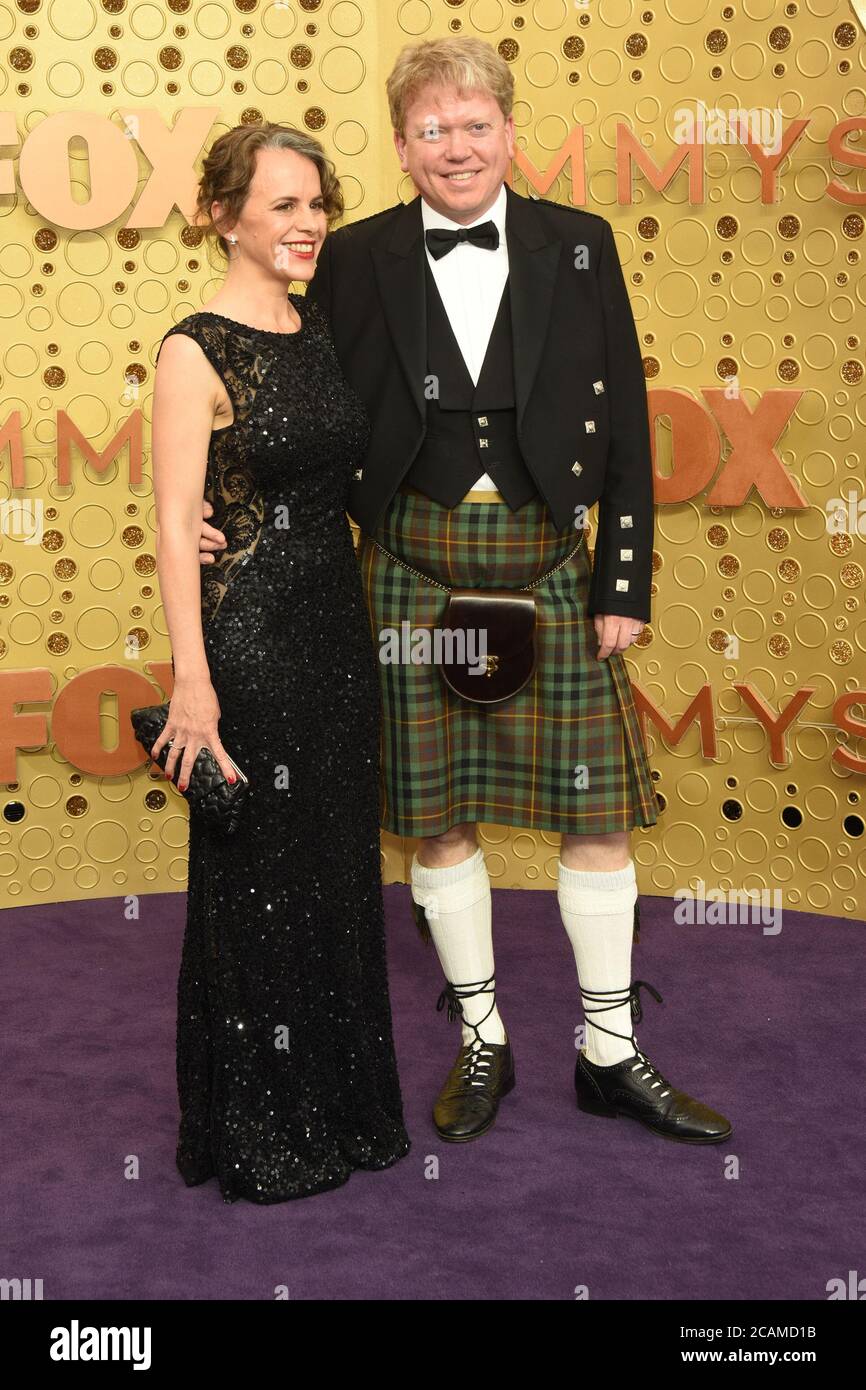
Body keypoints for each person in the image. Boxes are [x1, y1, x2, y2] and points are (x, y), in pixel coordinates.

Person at [198, 38, 732, 1147]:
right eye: (431, 128)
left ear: (507, 131)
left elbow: (626, 421)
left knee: (595, 819)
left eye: (473, 122)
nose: (454, 145)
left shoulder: (577, 247)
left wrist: (620, 577)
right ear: (401, 147)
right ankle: (482, 1037)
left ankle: (608, 1049)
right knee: (436, 820)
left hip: (548, 560)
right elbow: (283, 390)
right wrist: (220, 499)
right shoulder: (350, 257)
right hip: (409, 564)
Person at [150, 123, 410, 1203]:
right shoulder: (191, 349)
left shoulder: (316, 330)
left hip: (334, 637)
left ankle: (343, 1107)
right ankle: (260, 1125)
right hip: (248, 641)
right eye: (284, 205)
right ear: (224, 215)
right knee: (258, 881)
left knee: (338, 873)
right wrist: (192, 680)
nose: (306, 224)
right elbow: (172, 524)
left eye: (317, 205)